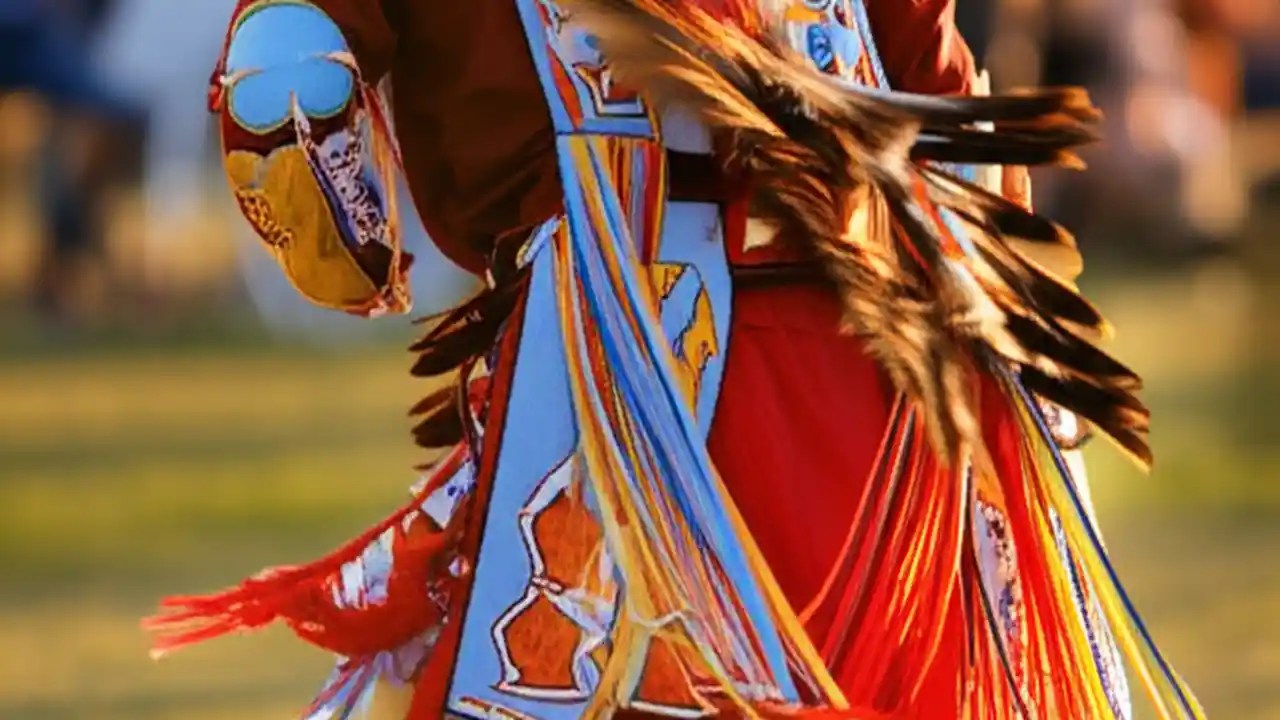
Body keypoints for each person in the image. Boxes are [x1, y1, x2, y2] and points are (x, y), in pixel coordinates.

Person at [146, 1, 1202, 718]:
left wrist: (341, 216)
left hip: (641, 370)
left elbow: (284, 82)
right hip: (889, 341)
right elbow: (929, 80)